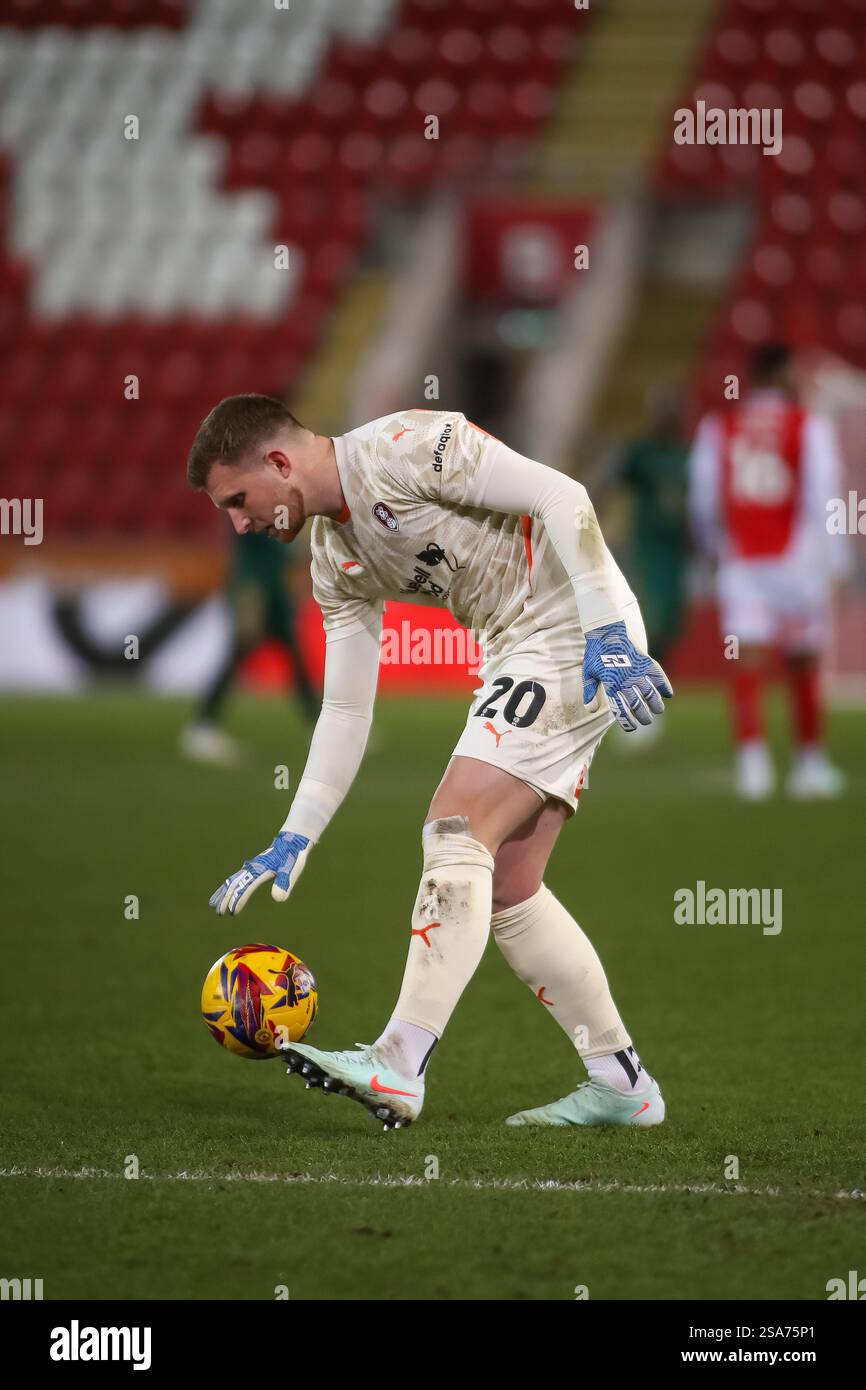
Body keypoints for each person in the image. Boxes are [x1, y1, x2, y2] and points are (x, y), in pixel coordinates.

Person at [187, 396, 673, 1130]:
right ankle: (620, 1081)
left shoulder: (408, 447)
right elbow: (345, 711)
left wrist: (607, 631)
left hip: (574, 632)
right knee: (508, 885)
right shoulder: (334, 560)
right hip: (517, 649)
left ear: (279, 463)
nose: (240, 524)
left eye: (237, 501)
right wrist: (296, 833)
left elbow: (564, 495)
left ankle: (399, 1059)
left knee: (456, 826)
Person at [688, 344, 848, 801]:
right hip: (797, 559)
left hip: (741, 559)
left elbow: (703, 498)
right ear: (780, 374)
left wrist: (713, 547)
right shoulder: (807, 425)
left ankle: (752, 767)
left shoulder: (719, 426)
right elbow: (823, 496)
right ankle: (809, 765)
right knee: (804, 658)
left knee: (745, 659)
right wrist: (836, 560)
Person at [181, 527, 319, 766]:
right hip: (252, 589)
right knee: (240, 653)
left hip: (274, 590)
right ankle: (203, 725)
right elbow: (269, 535)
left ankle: (319, 725)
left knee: (294, 657)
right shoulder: (249, 508)